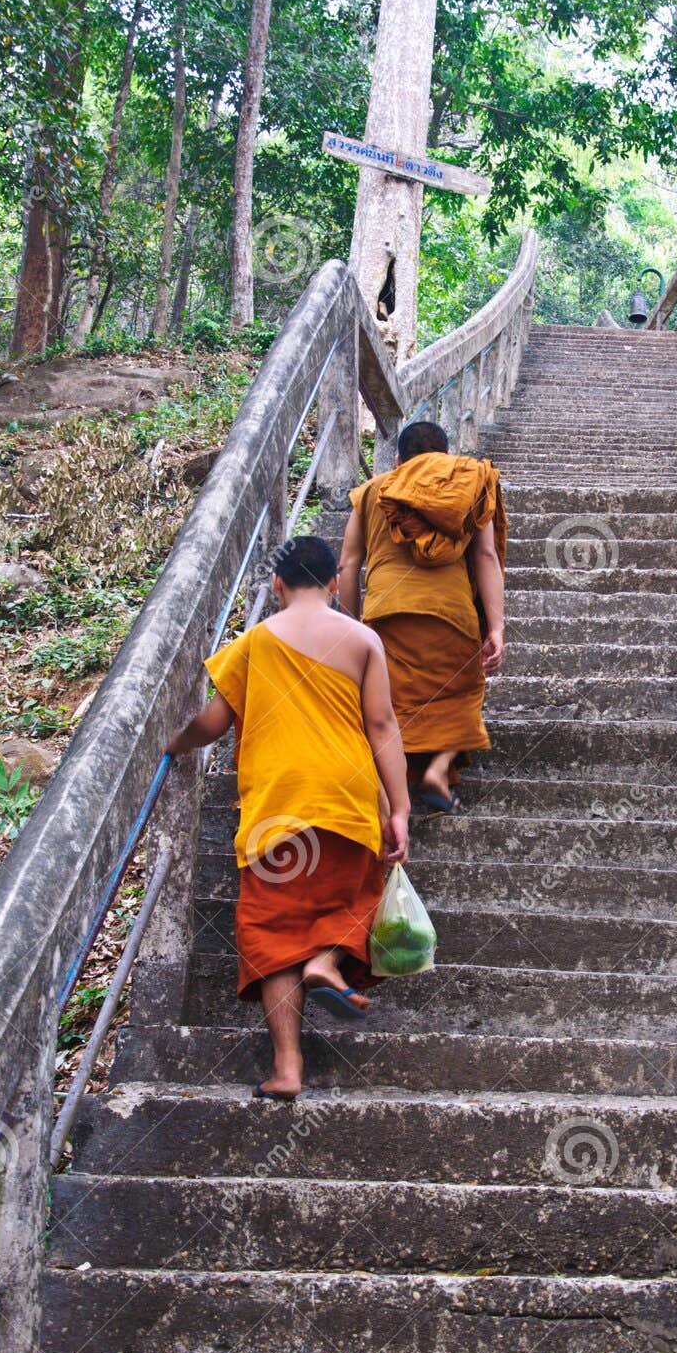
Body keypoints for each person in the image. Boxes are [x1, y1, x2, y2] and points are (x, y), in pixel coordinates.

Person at [166, 535, 409, 1101]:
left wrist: (173, 743)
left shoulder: (254, 642)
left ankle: (288, 1068)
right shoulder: (363, 639)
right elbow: (382, 728)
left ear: (276, 585)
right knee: (355, 896)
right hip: (345, 795)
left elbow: (212, 723)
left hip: (276, 804)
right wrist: (398, 808)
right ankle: (327, 960)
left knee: (273, 934)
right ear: (332, 583)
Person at [338, 420, 506, 813]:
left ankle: (384, 792)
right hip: (452, 614)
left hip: (386, 610)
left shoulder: (372, 491)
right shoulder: (467, 488)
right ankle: (439, 767)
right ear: (446, 459)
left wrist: (350, 624)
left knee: (388, 699)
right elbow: (485, 556)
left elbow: (348, 564)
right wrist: (496, 626)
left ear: (397, 460)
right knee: (461, 692)